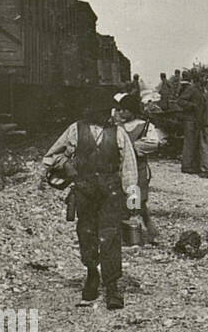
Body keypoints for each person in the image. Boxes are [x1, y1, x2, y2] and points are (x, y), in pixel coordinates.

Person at [41, 93, 140, 309]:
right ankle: (92, 274)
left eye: (107, 111)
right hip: (84, 191)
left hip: (111, 194)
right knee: (86, 233)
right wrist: (66, 165)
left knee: (111, 236)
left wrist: (133, 202)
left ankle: (113, 286)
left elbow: (129, 169)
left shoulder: (118, 133)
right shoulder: (76, 129)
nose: (105, 115)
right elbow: (50, 156)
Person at [114, 91, 165, 243]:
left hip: (139, 168)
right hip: (123, 169)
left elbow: (154, 143)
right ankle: (137, 231)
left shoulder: (145, 126)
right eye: (120, 109)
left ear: (133, 111)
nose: (122, 112)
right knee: (126, 198)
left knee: (136, 200)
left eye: (125, 109)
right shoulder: (118, 127)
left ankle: (139, 234)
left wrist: (134, 147)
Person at [176, 71, 205, 173]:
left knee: (194, 142)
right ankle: (186, 166)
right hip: (190, 120)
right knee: (189, 142)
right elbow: (180, 101)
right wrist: (192, 105)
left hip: (196, 120)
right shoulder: (191, 89)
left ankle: (192, 164)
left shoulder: (197, 89)